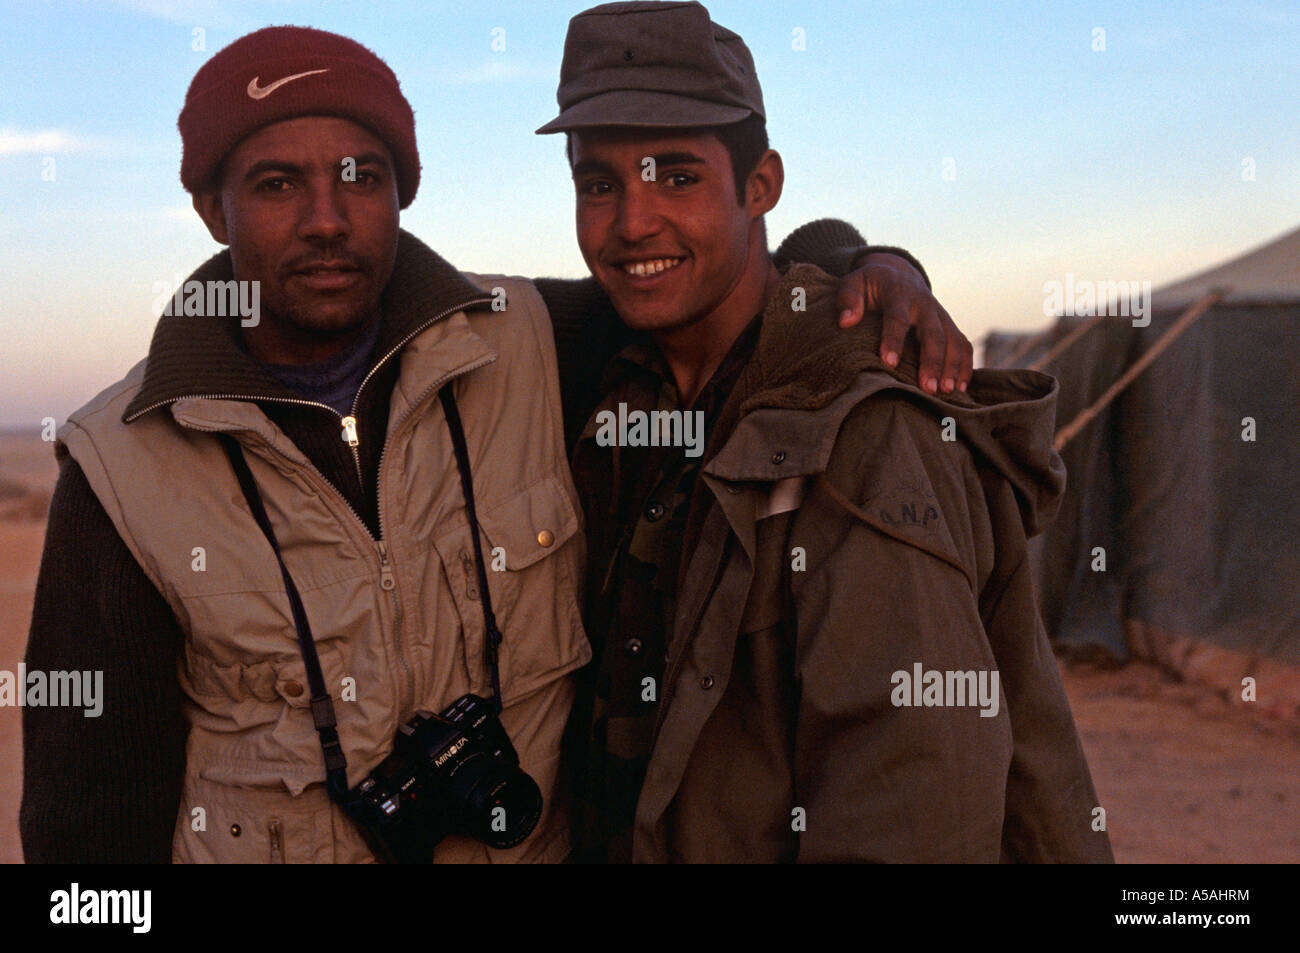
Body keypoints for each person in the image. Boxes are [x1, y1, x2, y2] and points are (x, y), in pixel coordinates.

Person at [20, 23, 969, 863]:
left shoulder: (527, 340)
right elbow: (83, 838)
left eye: (363, 177)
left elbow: (716, 280)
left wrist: (866, 266)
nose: (325, 217)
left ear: (401, 193)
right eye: (276, 185)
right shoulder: (120, 465)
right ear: (210, 211)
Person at [542, 1, 1114, 863]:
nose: (632, 222)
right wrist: (863, 253)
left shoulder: (863, 434)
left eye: (678, 177)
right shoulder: (617, 383)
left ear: (761, 185)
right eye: (600, 183)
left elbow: (909, 805)